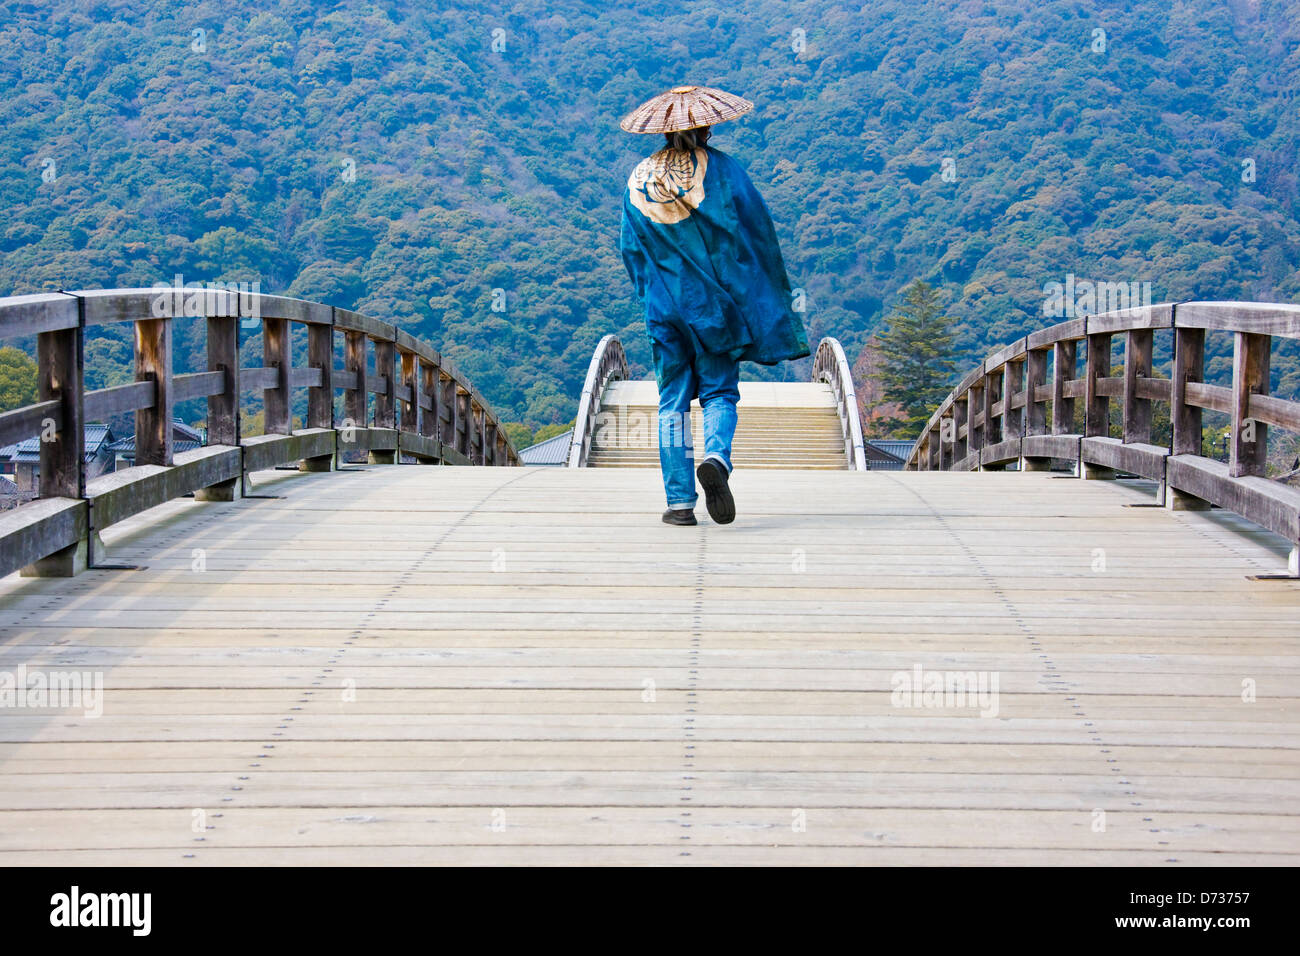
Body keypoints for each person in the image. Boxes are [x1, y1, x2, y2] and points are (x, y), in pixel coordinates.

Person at [618, 85, 810, 526]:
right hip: (714, 309)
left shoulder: (637, 180)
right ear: (706, 127)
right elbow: (754, 232)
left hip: (664, 312)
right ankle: (717, 460)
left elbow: (630, 252)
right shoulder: (722, 169)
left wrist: (652, 298)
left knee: (672, 404)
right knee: (720, 392)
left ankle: (680, 505)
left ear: (662, 133)